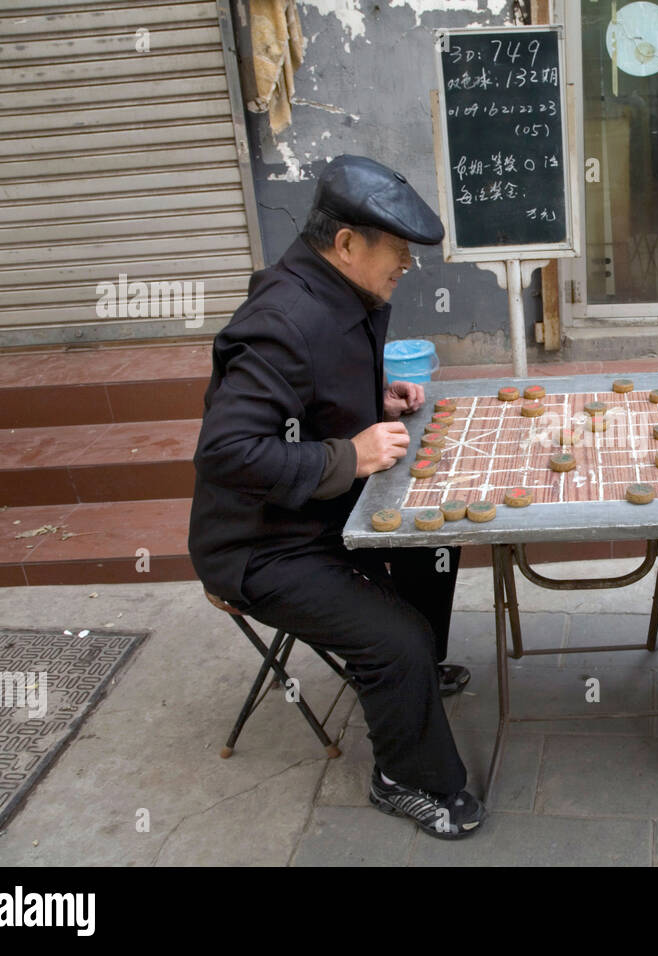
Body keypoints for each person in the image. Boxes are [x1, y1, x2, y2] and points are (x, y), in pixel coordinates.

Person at [188, 155, 485, 839]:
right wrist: (349, 453)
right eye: (398, 256)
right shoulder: (282, 317)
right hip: (261, 546)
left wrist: (369, 400)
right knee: (397, 637)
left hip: (317, 512)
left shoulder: (337, 289)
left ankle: (408, 680)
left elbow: (307, 398)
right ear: (347, 243)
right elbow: (227, 452)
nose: (403, 269)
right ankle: (404, 777)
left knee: (432, 534)